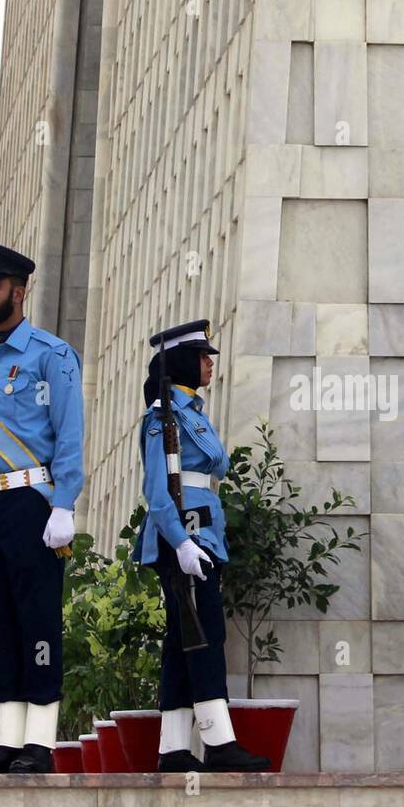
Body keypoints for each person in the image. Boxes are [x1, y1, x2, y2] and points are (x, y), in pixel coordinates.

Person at [0, 242, 82, 775]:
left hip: (31, 500)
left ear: (19, 291)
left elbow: (68, 433)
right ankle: (7, 740)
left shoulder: (52, 355)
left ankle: (41, 742)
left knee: (37, 619)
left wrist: (64, 503)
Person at [133, 320, 271, 772]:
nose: (210, 363)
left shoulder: (191, 412)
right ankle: (218, 742)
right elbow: (158, 492)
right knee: (206, 635)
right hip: (184, 537)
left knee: (182, 641)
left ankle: (173, 749)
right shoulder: (163, 418)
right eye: (202, 356)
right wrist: (181, 544)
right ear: (182, 362)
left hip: (201, 532)